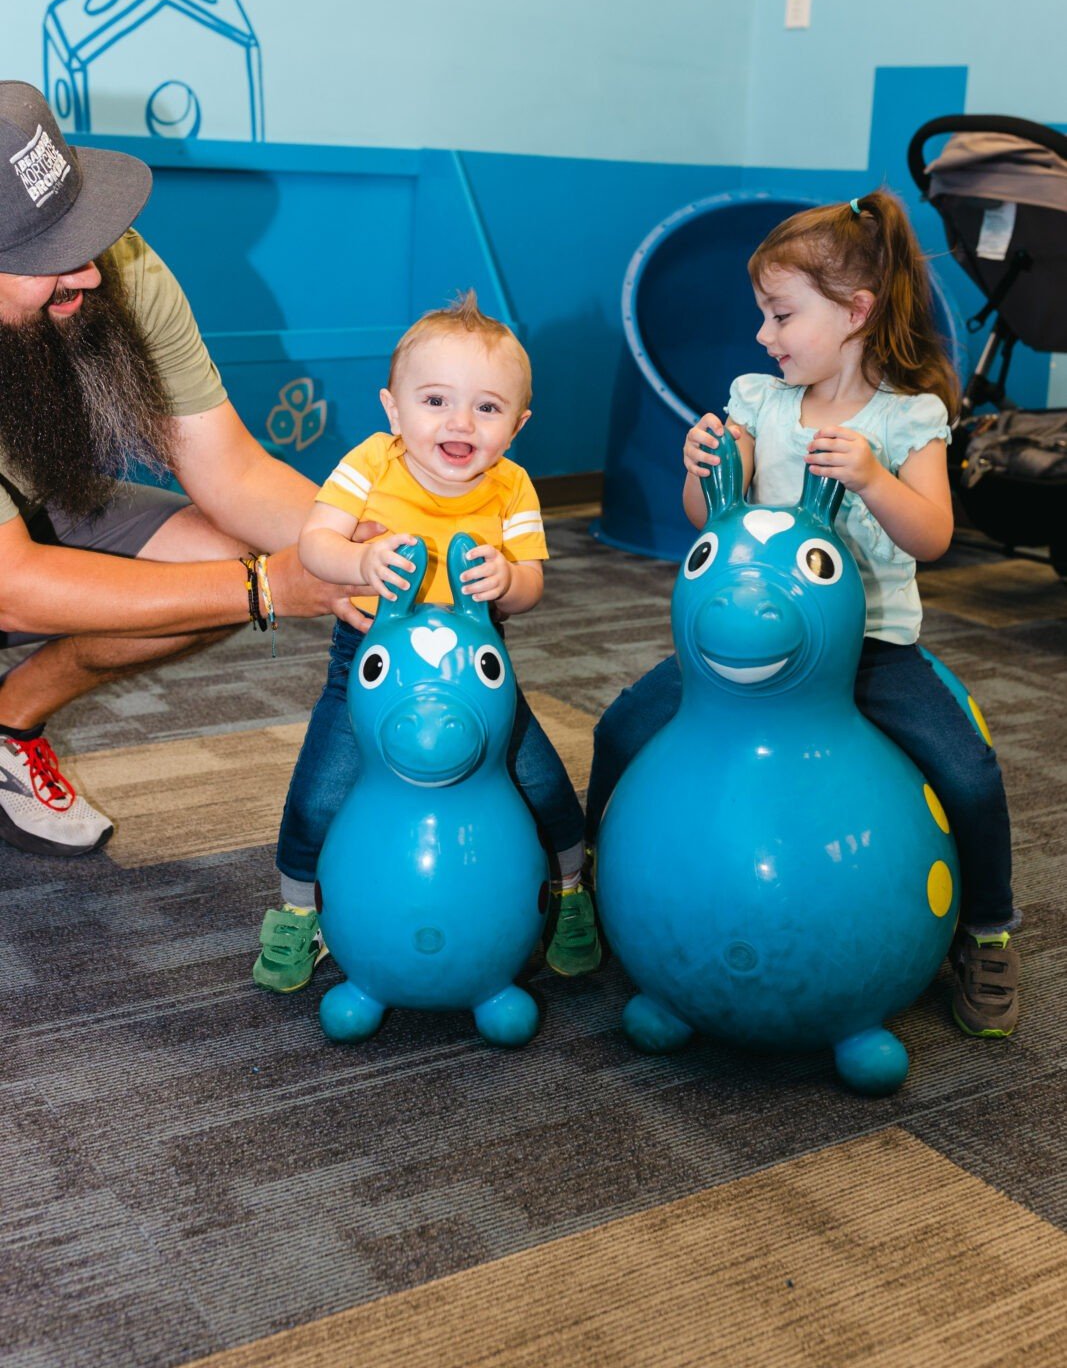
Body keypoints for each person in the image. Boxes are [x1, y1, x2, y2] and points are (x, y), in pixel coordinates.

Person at [586, 191, 1021, 1038]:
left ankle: (987, 931)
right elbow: (708, 517)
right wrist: (699, 466)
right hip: (744, 662)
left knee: (968, 774)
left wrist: (871, 477)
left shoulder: (907, 417)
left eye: (780, 315)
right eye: (762, 315)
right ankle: (583, 880)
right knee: (615, 730)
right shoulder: (758, 400)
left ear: (855, 313)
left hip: (869, 652)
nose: (763, 335)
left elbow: (931, 535)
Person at [0, 80, 381, 859]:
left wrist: (356, 547)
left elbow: (233, 471)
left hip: (26, 512)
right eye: (49, 258)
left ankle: (9, 722)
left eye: (83, 237)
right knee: (243, 580)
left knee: (218, 563)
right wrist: (272, 586)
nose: (90, 275)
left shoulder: (117, 269)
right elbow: (11, 583)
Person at [251, 291, 601, 991]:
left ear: (518, 423)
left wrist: (507, 579)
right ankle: (295, 911)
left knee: (541, 780)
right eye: (435, 400)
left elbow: (531, 587)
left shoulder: (510, 486)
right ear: (393, 408)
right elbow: (315, 541)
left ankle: (568, 892)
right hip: (372, 663)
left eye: (487, 408)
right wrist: (357, 563)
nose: (459, 423)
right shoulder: (373, 461)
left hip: (478, 669)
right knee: (321, 787)